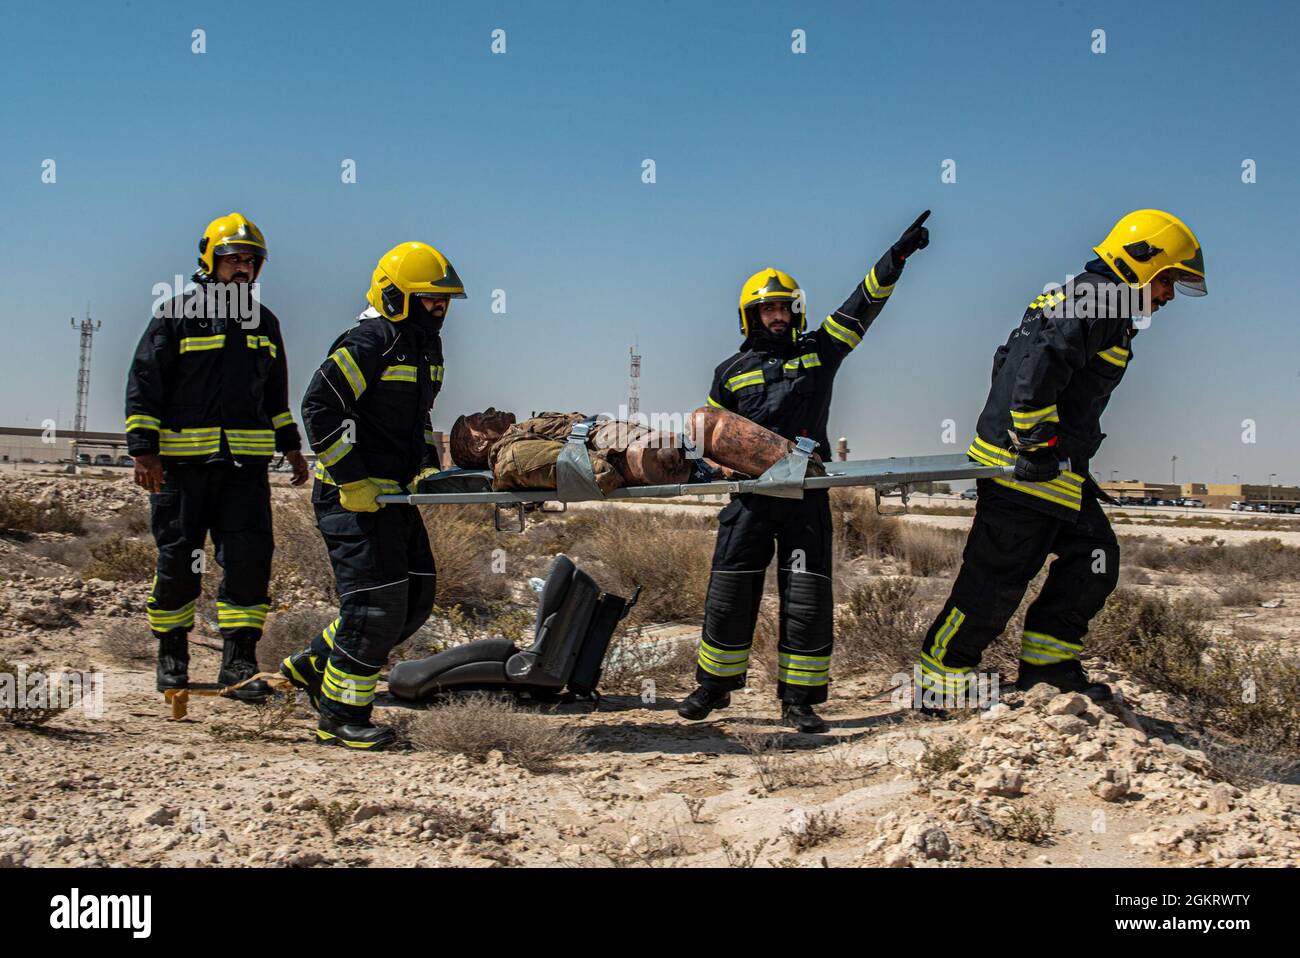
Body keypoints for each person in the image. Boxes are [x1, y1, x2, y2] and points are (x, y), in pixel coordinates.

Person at [914, 210, 1206, 709]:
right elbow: (1037, 368)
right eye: (1167, 280)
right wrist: (1033, 444)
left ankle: (1049, 668)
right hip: (1027, 469)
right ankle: (941, 684)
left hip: (1057, 471)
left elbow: (1006, 359)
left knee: (1094, 558)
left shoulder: (1094, 297)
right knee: (996, 582)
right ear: (1141, 261)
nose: (1167, 295)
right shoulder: (1099, 299)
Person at [679, 213, 932, 732]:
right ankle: (713, 688)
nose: (776, 315)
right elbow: (709, 433)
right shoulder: (728, 372)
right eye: (766, 308)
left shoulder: (821, 350)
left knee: (806, 596)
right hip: (748, 500)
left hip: (806, 499)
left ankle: (799, 702)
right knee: (730, 591)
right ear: (750, 316)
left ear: (796, 313)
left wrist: (895, 258)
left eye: (783, 308)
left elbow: (861, 307)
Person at [284, 242, 462, 749]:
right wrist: (350, 477)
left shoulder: (427, 347)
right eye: (430, 298)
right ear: (395, 296)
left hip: (398, 501)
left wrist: (428, 469)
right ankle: (340, 716)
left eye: (444, 300)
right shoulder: (370, 341)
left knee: (416, 600)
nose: (440, 308)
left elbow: (419, 418)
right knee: (376, 608)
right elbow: (319, 407)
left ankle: (315, 662)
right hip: (352, 501)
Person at [125, 212, 309, 700]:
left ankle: (239, 664)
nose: (243, 267)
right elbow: (145, 384)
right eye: (233, 259)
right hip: (181, 471)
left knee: (249, 561)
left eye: (251, 260)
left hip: (244, 472)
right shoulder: (174, 313)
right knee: (178, 561)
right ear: (211, 261)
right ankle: (172, 657)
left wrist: (292, 447)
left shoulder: (265, 323)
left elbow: (276, 396)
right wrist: (144, 452)